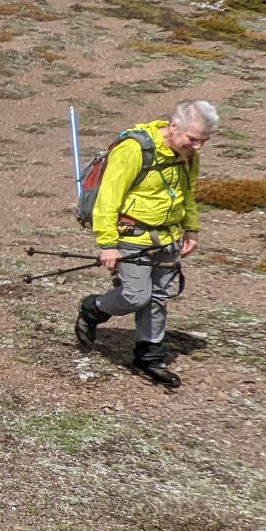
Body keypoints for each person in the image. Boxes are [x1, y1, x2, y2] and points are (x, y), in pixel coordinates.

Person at [74, 99, 218, 388]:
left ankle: (149, 357)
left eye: (204, 141)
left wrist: (191, 229)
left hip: (169, 238)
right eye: (193, 139)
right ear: (174, 127)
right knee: (136, 296)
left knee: (159, 297)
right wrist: (108, 244)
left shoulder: (187, 155)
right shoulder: (133, 149)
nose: (198, 147)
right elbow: (108, 199)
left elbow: (187, 194)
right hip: (132, 236)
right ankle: (93, 308)